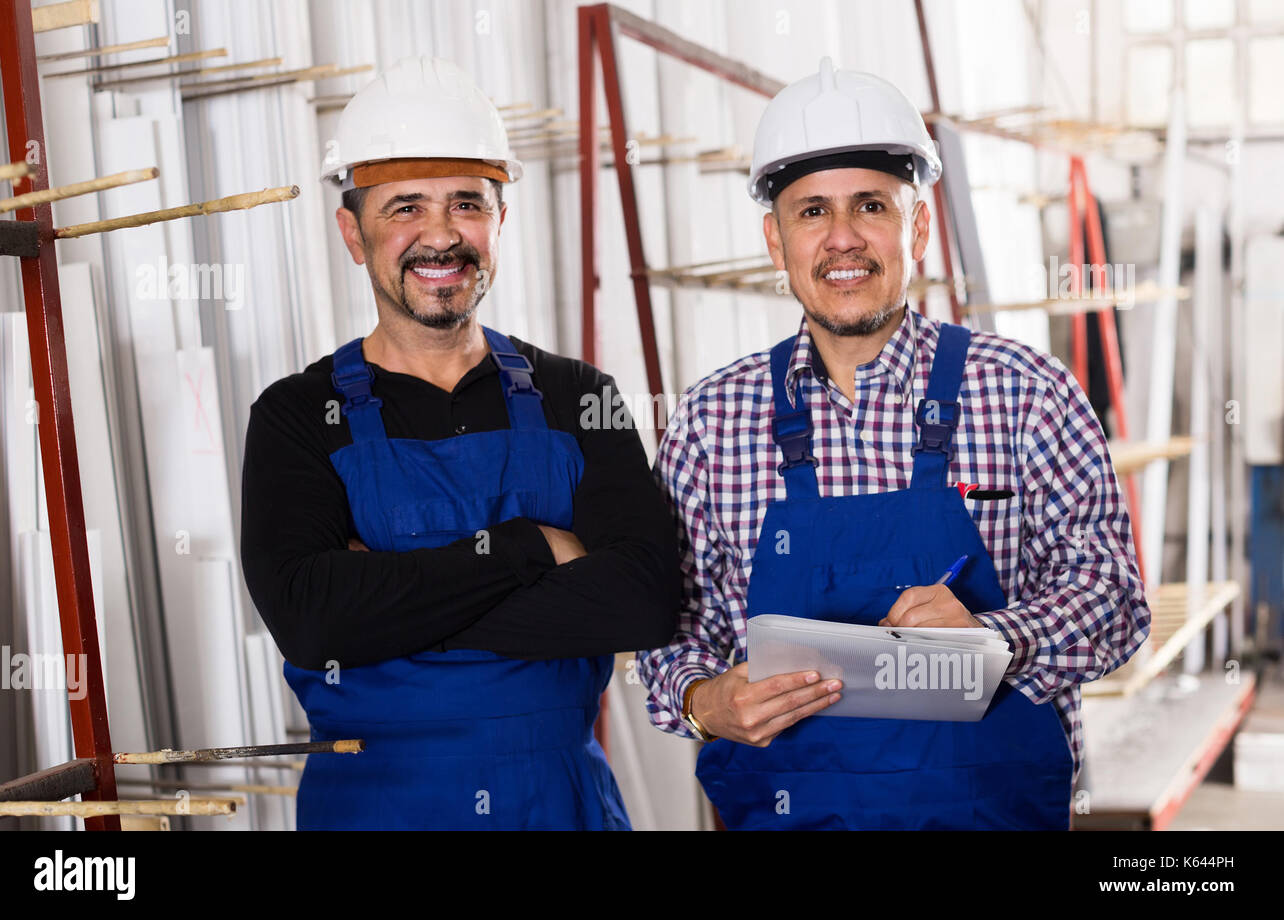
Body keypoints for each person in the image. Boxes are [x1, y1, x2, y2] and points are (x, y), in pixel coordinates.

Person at [637, 58, 1151, 830]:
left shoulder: (1026, 393)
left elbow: (1115, 599)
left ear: (917, 227)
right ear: (776, 242)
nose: (842, 239)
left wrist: (992, 638)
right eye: (811, 212)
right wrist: (702, 698)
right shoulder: (713, 423)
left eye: (869, 205)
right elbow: (669, 630)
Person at [240, 56, 678, 830]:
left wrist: (390, 599)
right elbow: (313, 621)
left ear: (499, 220)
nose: (440, 236)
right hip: (373, 809)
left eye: (467, 203)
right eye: (404, 206)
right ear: (353, 232)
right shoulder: (297, 415)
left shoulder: (581, 397)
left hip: (562, 806)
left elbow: (642, 604)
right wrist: (530, 550)